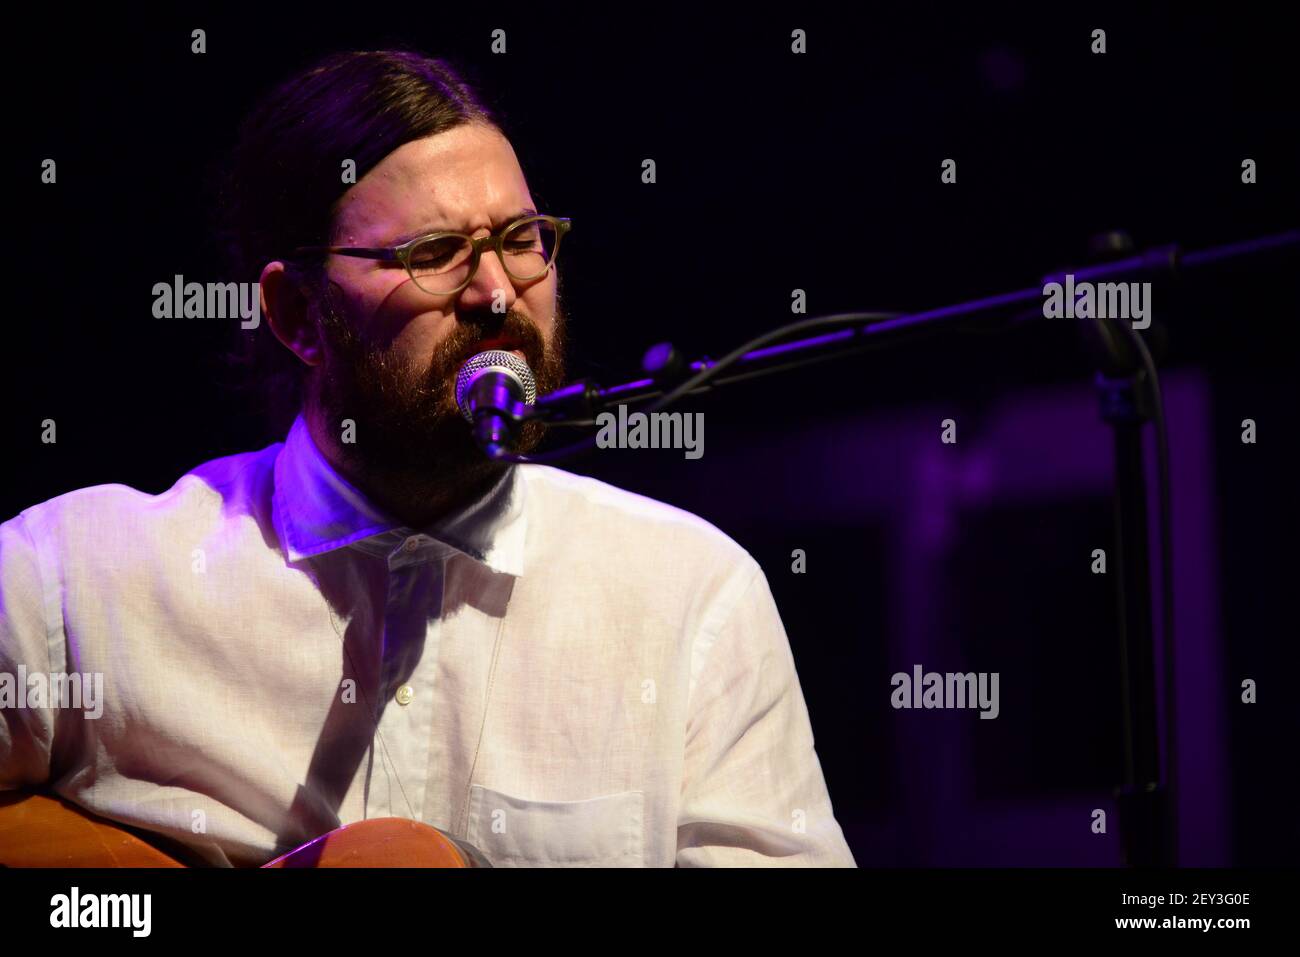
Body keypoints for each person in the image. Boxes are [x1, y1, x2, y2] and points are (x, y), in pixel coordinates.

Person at [0, 49, 855, 867]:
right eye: (435, 255)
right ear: (299, 314)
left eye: (522, 239)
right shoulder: (76, 583)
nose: (496, 292)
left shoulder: (690, 597)